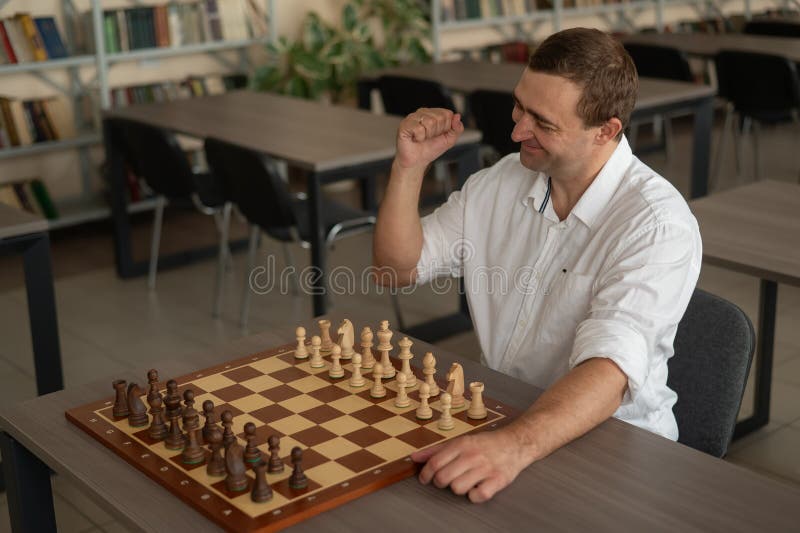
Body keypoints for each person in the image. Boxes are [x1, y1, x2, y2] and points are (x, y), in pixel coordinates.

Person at [372, 28, 702, 503]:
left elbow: (609, 370)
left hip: (612, 448)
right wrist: (409, 168)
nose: (516, 131)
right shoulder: (500, 182)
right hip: (504, 419)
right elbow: (395, 270)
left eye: (542, 123)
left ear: (606, 131)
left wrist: (513, 446)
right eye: (518, 106)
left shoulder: (656, 224)